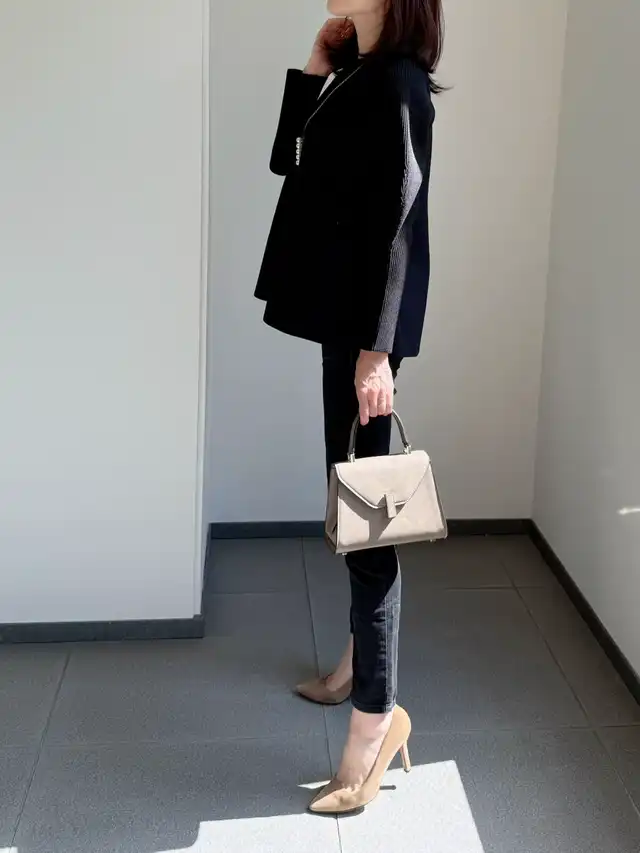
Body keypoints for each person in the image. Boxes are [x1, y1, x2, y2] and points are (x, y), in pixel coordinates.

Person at [255, 0, 444, 815]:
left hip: (365, 337)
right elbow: (286, 161)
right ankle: (357, 663)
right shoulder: (358, 74)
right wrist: (314, 70)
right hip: (345, 325)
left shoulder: (400, 83)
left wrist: (377, 352)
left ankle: (376, 719)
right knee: (348, 501)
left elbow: (399, 223)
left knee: (370, 525)